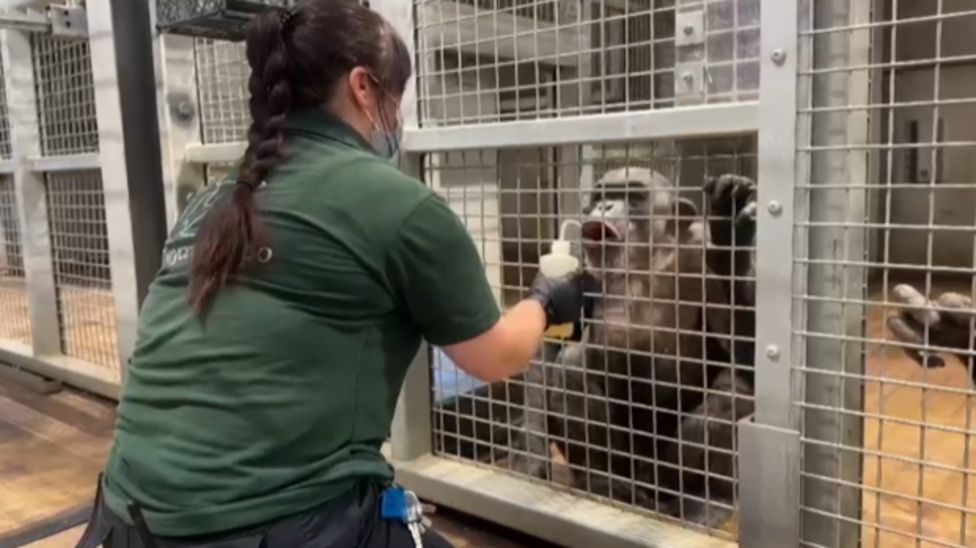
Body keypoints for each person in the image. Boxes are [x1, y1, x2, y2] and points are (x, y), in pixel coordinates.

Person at [75, 1, 593, 547]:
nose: (397, 118)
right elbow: (496, 356)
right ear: (363, 87)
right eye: (396, 97)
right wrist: (546, 299)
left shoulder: (214, 200)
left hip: (119, 520)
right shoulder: (398, 204)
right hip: (265, 528)